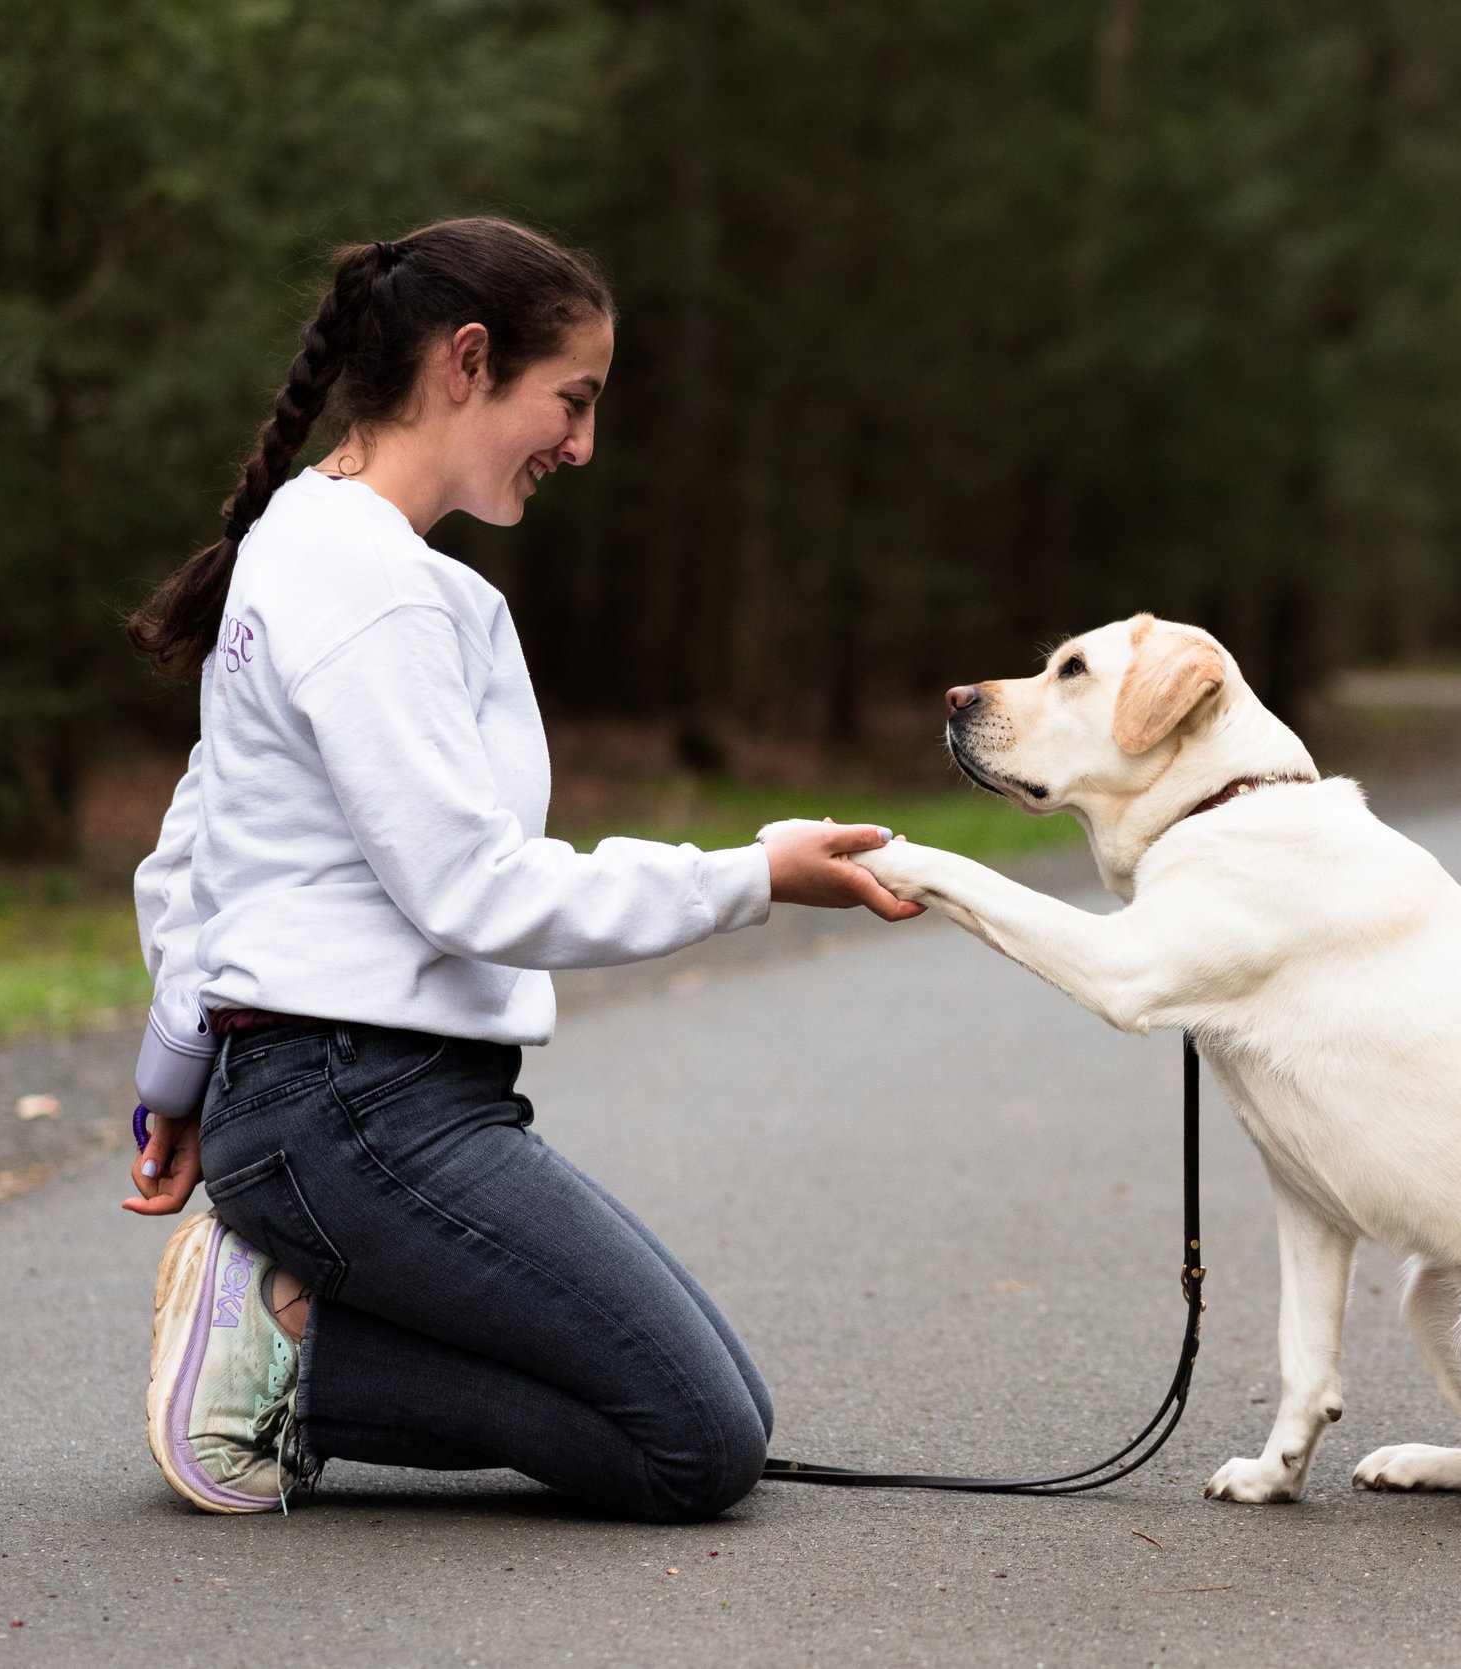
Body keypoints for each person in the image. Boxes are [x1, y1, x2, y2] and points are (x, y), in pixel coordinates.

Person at [122, 217, 920, 1521]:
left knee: (722, 1411)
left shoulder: (313, 551)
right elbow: (475, 889)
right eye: (573, 399)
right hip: (360, 1106)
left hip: (344, 1100)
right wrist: (754, 876)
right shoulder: (370, 582)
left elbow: (191, 853)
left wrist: (183, 1076)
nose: (583, 445)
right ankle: (283, 1357)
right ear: (468, 360)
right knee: (695, 1445)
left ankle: (292, 1325)